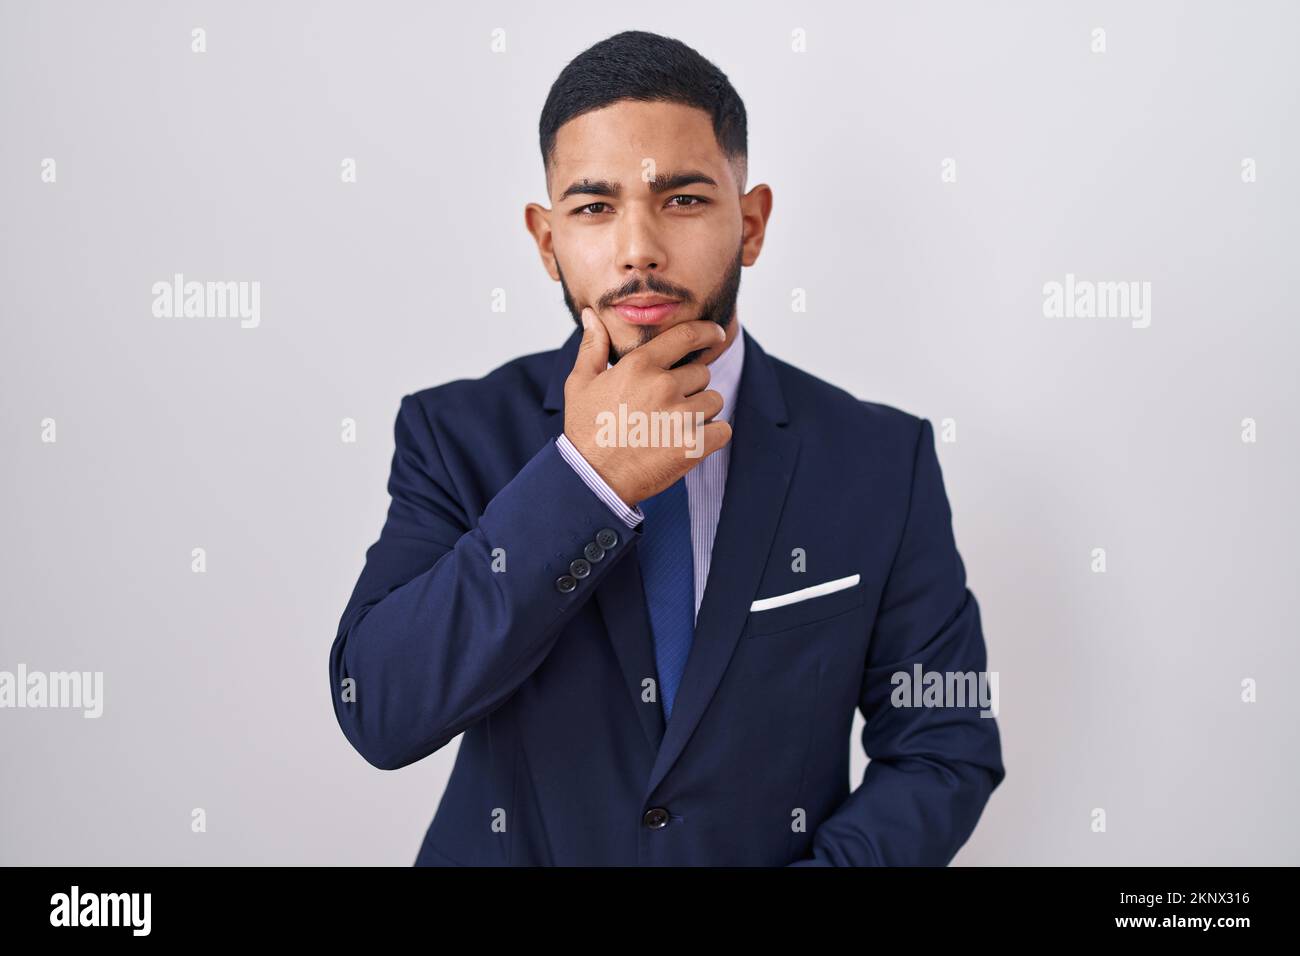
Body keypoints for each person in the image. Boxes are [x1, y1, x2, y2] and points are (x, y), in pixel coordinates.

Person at [330, 29, 1004, 866]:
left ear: (750, 224)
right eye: (594, 206)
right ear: (548, 242)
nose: (638, 247)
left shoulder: (879, 460)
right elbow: (382, 710)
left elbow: (945, 748)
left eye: (683, 199)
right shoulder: (455, 435)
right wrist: (587, 482)